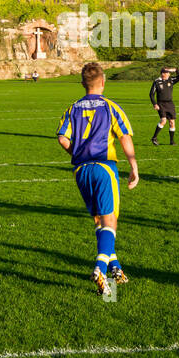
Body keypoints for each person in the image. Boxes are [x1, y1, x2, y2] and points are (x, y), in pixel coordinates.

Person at [56, 62, 140, 295]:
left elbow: (62, 138)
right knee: (110, 220)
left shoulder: (72, 108)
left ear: (83, 84)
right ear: (103, 82)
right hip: (104, 167)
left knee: (99, 221)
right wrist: (133, 165)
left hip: (81, 171)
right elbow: (124, 137)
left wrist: (78, 153)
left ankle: (115, 271)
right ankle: (100, 267)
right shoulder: (110, 107)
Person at [148, 65, 179, 145]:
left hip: (170, 103)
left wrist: (176, 69)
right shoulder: (157, 81)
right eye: (167, 73)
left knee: (172, 122)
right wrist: (155, 104)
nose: (168, 74)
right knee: (163, 121)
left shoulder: (171, 80)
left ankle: (172, 141)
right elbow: (151, 94)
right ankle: (154, 137)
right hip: (161, 104)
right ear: (162, 73)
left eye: (168, 73)